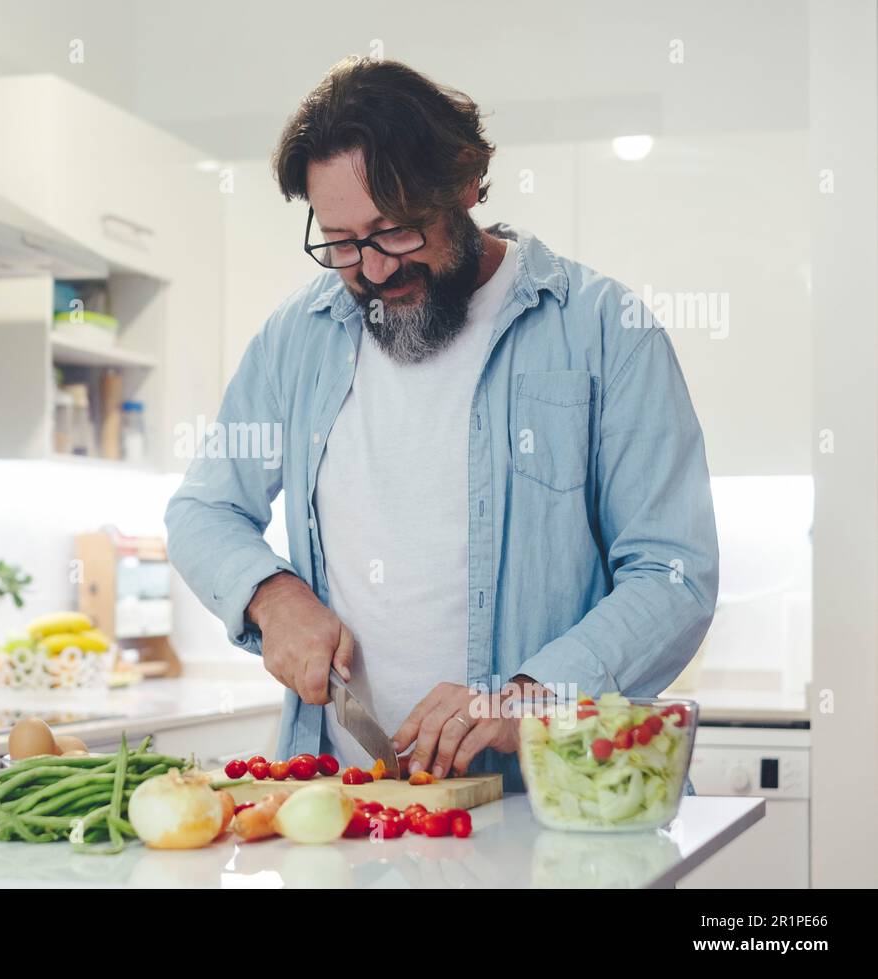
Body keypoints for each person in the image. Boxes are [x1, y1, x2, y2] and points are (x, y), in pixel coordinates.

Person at [165, 57, 718, 789]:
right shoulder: (295, 339)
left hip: (545, 801)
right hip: (342, 805)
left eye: (393, 230)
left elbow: (674, 575)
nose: (372, 269)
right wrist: (272, 595)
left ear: (465, 183)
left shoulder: (604, 332)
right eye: (340, 241)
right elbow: (202, 509)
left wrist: (530, 696)